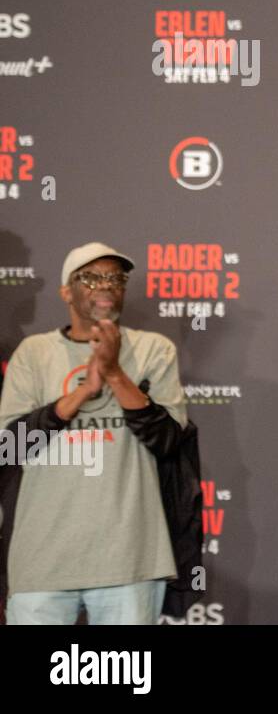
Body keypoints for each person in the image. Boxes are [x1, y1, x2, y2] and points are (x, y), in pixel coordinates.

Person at [0, 242, 187, 624]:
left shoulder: (154, 350)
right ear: (66, 292)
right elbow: (11, 447)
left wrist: (115, 373)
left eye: (116, 278)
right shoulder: (33, 354)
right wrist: (84, 391)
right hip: (43, 558)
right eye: (91, 277)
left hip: (130, 558)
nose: (106, 285)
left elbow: (167, 440)